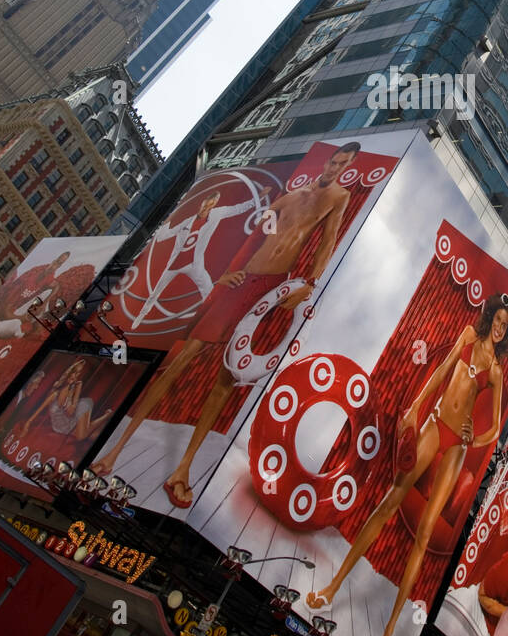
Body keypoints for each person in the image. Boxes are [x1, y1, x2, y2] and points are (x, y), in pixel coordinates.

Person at [93, 143, 361, 508]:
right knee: (180, 361)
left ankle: (182, 471)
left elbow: (326, 244)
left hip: (269, 288)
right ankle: (113, 453)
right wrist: (227, 272)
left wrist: (308, 286)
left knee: (226, 377)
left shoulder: (339, 197)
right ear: (327, 161)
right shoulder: (290, 194)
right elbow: (255, 235)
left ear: (348, 167)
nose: (337, 167)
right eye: (335, 160)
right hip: (242, 280)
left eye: (345, 164)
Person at [306, 292, 508, 636]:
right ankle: (331, 588)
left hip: (456, 446)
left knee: (424, 531)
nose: (499, 329)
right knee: (389, 501)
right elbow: (440, 372)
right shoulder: (468, 337)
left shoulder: (497, 371)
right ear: (489, 319)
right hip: (435, 423)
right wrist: (416, 408)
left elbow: (495, 428)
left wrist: (474, 437)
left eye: (504, 326)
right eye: (497, 321)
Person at [128, 185, 274, 330]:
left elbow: (238, 208)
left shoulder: (217, 214)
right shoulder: (187, 221)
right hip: (173, 265)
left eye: (211, 206)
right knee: (155, 293)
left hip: (194, 264)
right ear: (202, 204)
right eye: (205, 206)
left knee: (208, 290)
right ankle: (141, 316)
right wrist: (166, 224)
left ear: (214, 205)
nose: (206, 209)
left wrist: (259, 197)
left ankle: (215, 319)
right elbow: (162, 237)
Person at [19, 359, 112, 444]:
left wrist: (74, 391)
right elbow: (40, 408)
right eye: (75, 372)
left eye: (79, 374)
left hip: (75, 414)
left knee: (81, 436)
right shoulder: (56, 391)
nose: (75, 376)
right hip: (59, 427)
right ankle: (105, 417)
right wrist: (27, 424)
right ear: (70, 372)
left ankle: (106, 416)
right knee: (89, 435)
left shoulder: (76, 387)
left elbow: (71, 412)